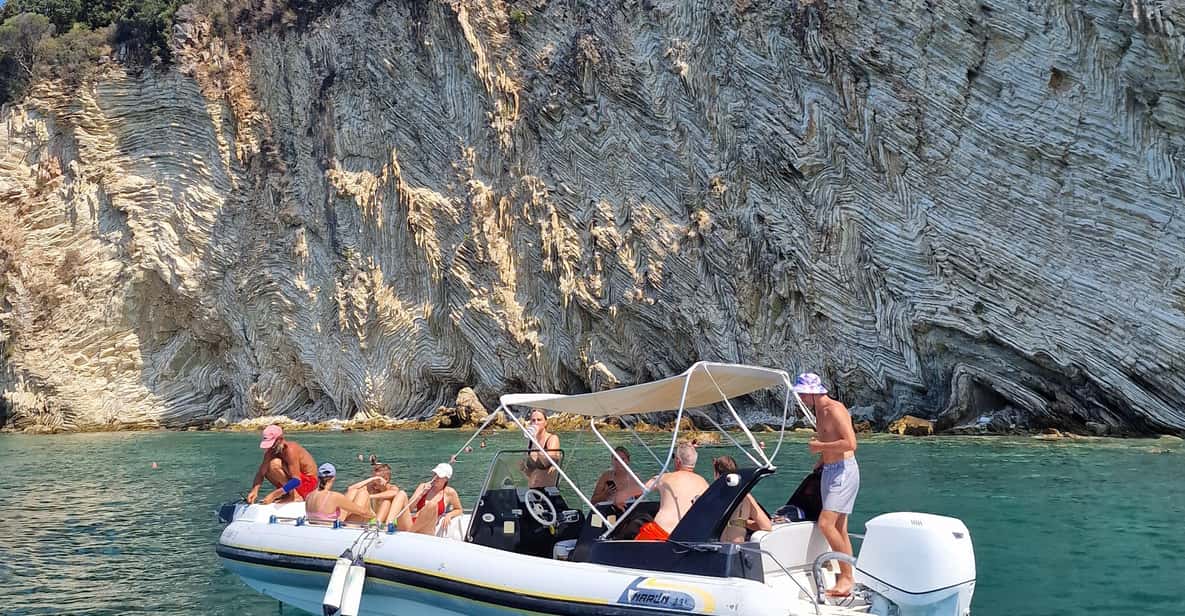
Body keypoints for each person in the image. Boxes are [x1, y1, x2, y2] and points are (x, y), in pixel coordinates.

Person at [797, 372, 859, 598]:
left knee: (826, 524)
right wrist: (821, 460)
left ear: (813, 393)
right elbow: (830, 438)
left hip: (844, 470)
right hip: (830, 471)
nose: (801, 398)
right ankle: (847, 575)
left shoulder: (833, 409)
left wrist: (820, 446)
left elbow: (851, 443)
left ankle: (847, 577)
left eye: (803, 394)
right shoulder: (819, 411)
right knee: (840, 527)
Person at [628, 443, 709, 541]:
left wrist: (620, 495)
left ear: (678, 461)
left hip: (662, 534)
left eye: (674, 457)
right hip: (690, 537)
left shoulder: (664, 478)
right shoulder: (704, 483)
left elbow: (640, 490)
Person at [247, 425, 318, 505]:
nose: (271, 447)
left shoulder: (290, 450)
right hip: (295, 483)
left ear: (280, 439)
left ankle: (294, 496)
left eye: (272, 444)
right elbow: (261, 473)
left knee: (274, 464)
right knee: (266, 468)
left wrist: (274, 495)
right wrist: (254, 490)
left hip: (308, 483)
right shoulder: (271, 451)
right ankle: (288, 494)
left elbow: (296, 480)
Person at [712, 456, 772, 543]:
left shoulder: (711, 495)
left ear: (716, 474)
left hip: (714, 551)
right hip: (736, 551)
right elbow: (766, 526)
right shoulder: (745, 496)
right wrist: (740, 522)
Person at [305, 463, 379, 524]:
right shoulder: (334, 496)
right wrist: (373, 516)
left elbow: (351, 489)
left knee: (353, 492)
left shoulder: (309, 496)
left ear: (318, 478)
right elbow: (363, 512)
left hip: (317, 530)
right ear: (333, 478)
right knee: (363, 493)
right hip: (332, 533)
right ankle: (374, 524)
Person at [408, 463, 463, 536]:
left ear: (446, 479)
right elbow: (408, 509)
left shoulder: (449, 492)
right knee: (401, 494)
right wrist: (421, 494)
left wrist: (449, 515)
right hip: (414, 522)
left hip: (428, 528)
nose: (435, 477)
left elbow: (459, 509)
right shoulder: (423, 486)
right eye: (435, 474)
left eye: (439, 476)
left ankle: (408, 534)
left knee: (432, 504)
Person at [520, 409, 561, 488]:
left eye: (539, 420)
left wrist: (535, 441)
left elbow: (546, 462)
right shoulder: (530, 442)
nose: (536, 423)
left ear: (545, 423)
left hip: (547, 491)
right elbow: (530, 472)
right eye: (533, 420)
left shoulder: (552, 439)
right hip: (532, 489)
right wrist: (522, 468)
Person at [366, 463, 412, 529]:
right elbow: (353, 488)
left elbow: (394, 492)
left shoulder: (392, 488)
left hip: (398, 523)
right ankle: (376, 525)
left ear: (386, 479)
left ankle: (386, 524)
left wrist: (370, 496)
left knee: (387, 500)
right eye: (373, 478)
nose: (374, 481)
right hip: (380, 522)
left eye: (377, 479)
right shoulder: (372, 488)